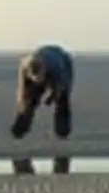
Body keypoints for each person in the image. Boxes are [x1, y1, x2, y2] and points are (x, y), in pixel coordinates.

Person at [9, 44, 74, 175]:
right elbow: (22, 90)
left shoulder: (56, 68)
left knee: (62, 101)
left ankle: (62, 131)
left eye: (40, 78)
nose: (39, 81)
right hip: (41, 64)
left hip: (63, 62)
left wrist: (52, 97)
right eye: (35, 78)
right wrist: (22, 103)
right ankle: (19, 130)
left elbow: (62, 86)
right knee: (29, 102)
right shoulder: (25, 65)